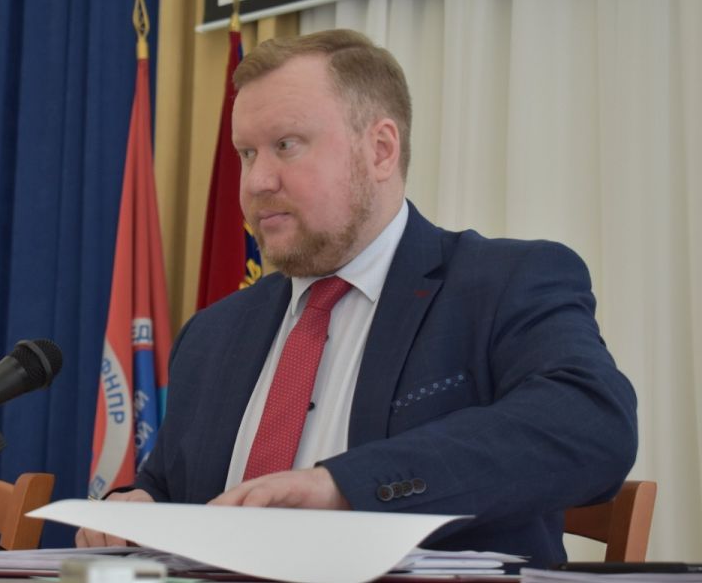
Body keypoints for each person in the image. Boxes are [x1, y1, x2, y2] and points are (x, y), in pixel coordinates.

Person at [76, 29, 637, 567]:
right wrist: (137, 506)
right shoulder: (212, 332)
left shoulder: (502, 283)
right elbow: (168, 485)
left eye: (286, 146)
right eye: (246, 153)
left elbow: (591, 425)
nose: (256, 182)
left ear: (381, 150)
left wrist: (342, 487)